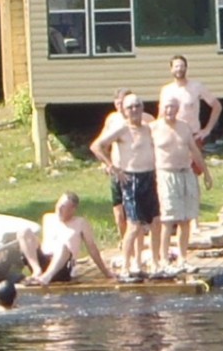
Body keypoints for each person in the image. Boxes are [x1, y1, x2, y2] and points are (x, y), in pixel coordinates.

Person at [90, 92, 162, 281]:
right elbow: (96, 146)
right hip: (131, 179)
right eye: (130, 107)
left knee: (155, 222)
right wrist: (112, 167)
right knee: (134, 225)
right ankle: (126, 266)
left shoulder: (148, 128)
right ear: (124, 110)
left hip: (149, 176)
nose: (134, 110)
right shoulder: (121, 129)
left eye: (137, 106)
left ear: (142, 107)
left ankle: (155, 263)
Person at [151, 96, 213, 275]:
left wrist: (206, 172)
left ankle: (182, 258)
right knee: (168, 218)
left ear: (178, 109)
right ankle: (164, 259)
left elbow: (194, 151)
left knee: (186, 218)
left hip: (186, 173)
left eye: (173, 107)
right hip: (165, 173)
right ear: (161, 108)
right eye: (166, 107)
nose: (169, 110)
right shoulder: (153, 128)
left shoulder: (184, 127)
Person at [17, 192, 114, 285]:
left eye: (63, 207)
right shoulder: (48, 218)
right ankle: (36, 270)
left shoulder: (80, 223)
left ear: (73, 209)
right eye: (58, 204)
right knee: (24, 232)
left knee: (62, 247)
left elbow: (92, 249)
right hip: (45, 260)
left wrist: (106, 272)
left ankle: (46, 277)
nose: (59, 209)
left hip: (63, 267)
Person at [158, 55, 222, 143]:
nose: (179, 69)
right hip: (173, 136)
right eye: (176, 66)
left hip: (193, 136)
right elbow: (161, 116)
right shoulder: (166, 90)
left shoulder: (196, 86)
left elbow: (217, 106)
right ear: (171, 69)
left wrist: (207, 130)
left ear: (186, 68)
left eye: (182, 66)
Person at [98, 87, 132, 238]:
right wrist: (107, 164)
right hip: (117, 169)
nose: (120, 106)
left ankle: (135, 239)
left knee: (133, 211)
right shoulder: (112, 119)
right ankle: (123, 238)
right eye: (117, 103)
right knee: (118, 210)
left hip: (134, 169)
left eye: (122, 103)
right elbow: (101, 143)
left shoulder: (141, 119)